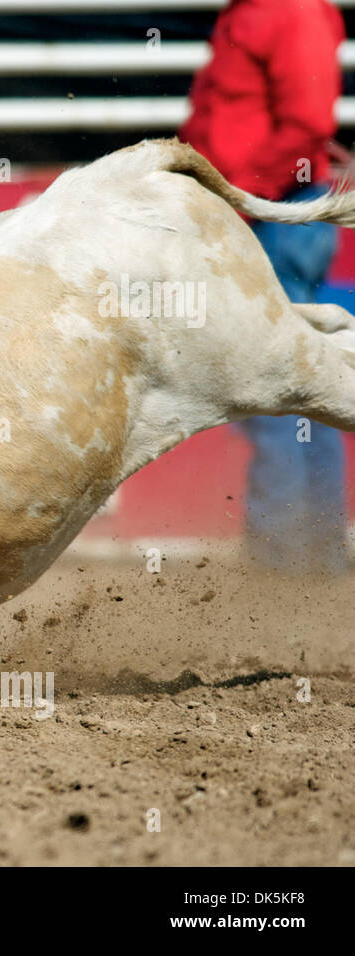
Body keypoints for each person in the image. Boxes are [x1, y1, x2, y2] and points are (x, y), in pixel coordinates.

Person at [181, 0, 348, 575]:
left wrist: (235, 199)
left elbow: (306, 127)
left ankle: (284, 567)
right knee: (303, 392)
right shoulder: (259, 10)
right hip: (276, 215)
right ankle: (314, 561)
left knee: (276, 392)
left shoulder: (287, 10)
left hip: (275, 217)